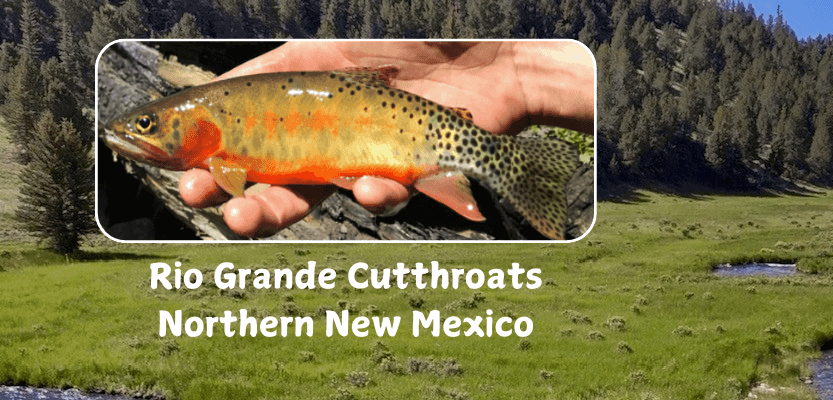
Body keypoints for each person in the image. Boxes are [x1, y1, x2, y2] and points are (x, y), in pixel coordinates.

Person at [177, 40, 596, 237]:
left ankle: (502, 163)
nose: (141, 134)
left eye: (147, 127)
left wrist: (517, 63)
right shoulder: (220, 145)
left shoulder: (224, 156)